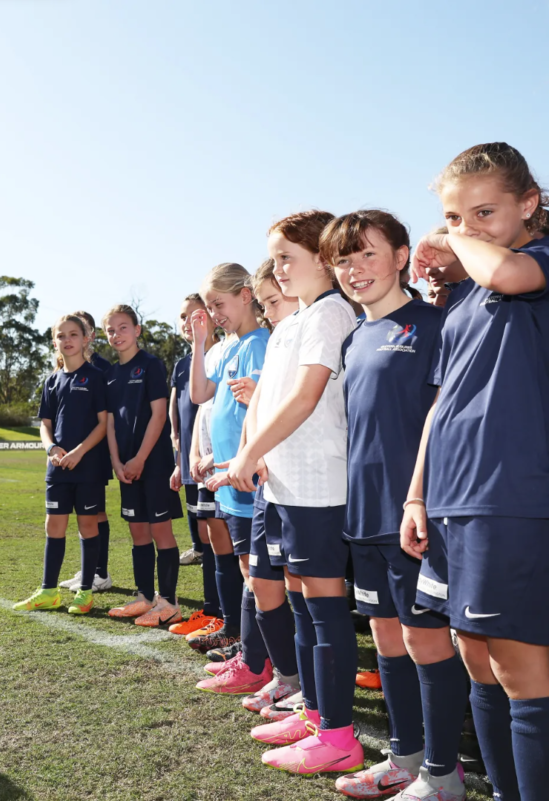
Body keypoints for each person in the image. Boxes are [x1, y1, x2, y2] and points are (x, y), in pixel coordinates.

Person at [403, 142, 549, 800]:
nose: (467, 229)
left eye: (483, 212)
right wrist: (416, 497)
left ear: (529, 205)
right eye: (454, 217)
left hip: (509, 495)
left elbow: (510, 274)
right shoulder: (460, 299)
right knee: (476, 659)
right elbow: (442, 403)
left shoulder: (531, 263)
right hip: (452, 500)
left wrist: (447, 238)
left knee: (522, 671)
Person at [324, 209, 468, 801]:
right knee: (386, 640)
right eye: (344, 259)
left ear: (402, 256)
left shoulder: (432, 325)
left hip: (413, 517)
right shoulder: (353, 338)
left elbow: (445, 423)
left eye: (368, 254)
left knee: (425, 641)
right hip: (361, 517)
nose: (355, 270)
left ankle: (444, 774)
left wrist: (422, 499)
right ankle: (405, 760)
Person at [226, 209, 363, 774]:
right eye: (275, 258)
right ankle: (314, 712)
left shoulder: (331, 313)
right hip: (282, 487)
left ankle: (338, 735)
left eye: (288, 257)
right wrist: (248, 453)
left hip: (319, 487)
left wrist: (250, 452)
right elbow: (264, 400)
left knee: (326, 614)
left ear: (323, 259)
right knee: (303, 608)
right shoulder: (291, 323)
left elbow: (306, 398)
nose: (278, 269)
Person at [189, 263, 272, 685]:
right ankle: (251, 652)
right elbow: (200, 393)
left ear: (245, 294)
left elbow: (259, 417)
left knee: (255, 574)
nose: (214, 312)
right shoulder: (231, 345)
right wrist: (201, 342)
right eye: (208, 305)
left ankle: (260, 660)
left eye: (218, 303)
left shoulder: (259, 344)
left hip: (246, 479)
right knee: (247, 570)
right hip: (228, 477)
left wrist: (232, 462)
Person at [238, 259, 303, 723]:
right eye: (263, 305)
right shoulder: (280, 336)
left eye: (273, 303)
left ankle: (307, 689)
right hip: (267, 484)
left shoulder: (312, 329)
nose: (268, 313)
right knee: (262, 583)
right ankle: (288, 678)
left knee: (303, 594)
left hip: (301, 486)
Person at [13, 314, 109, 615]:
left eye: (73, 334)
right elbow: (45, 425)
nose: (67, 340)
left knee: (87, 524)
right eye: (61, 336)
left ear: (85, 339)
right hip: (58, 467)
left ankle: (85, 592)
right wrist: (51, 447)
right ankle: (48, 591)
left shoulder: (95, 377)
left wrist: (79, 452)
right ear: (55, 341)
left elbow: (104, 424)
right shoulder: (52, 380)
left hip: (88, 465)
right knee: (53, 525)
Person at [103, 305, 183, 628]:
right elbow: (109, 423)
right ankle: (144, 596)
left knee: (160, 530)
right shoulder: (110, 375)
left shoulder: (150, 365)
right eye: (111, 330)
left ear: (137, 330)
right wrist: (117, 462)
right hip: (125, 467)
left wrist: (139, 459)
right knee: (138, 532)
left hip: (154, 462)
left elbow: (159, 415)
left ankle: (169, 602)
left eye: (123, 328)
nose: (116, 335)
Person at [167, 295, 223, 639]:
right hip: (193, 461)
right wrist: (180, 456)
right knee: (206, 538)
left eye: (195, 314)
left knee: (221, 540)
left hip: (219, 462)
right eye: (183, 316)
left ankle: (224, 614)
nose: (188, 322)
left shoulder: (221, 353)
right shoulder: (184, 363)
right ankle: (213, 609)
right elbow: (183, 413)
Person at [59, 309, 115, 593]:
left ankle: (99, 572)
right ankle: (90, 570)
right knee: (87, 515)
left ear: (90, 335)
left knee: (96, 514)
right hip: (71, 456)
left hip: (95, 452)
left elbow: (107, 416)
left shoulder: (102, 368)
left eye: (85, 329)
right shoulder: (65, 367)